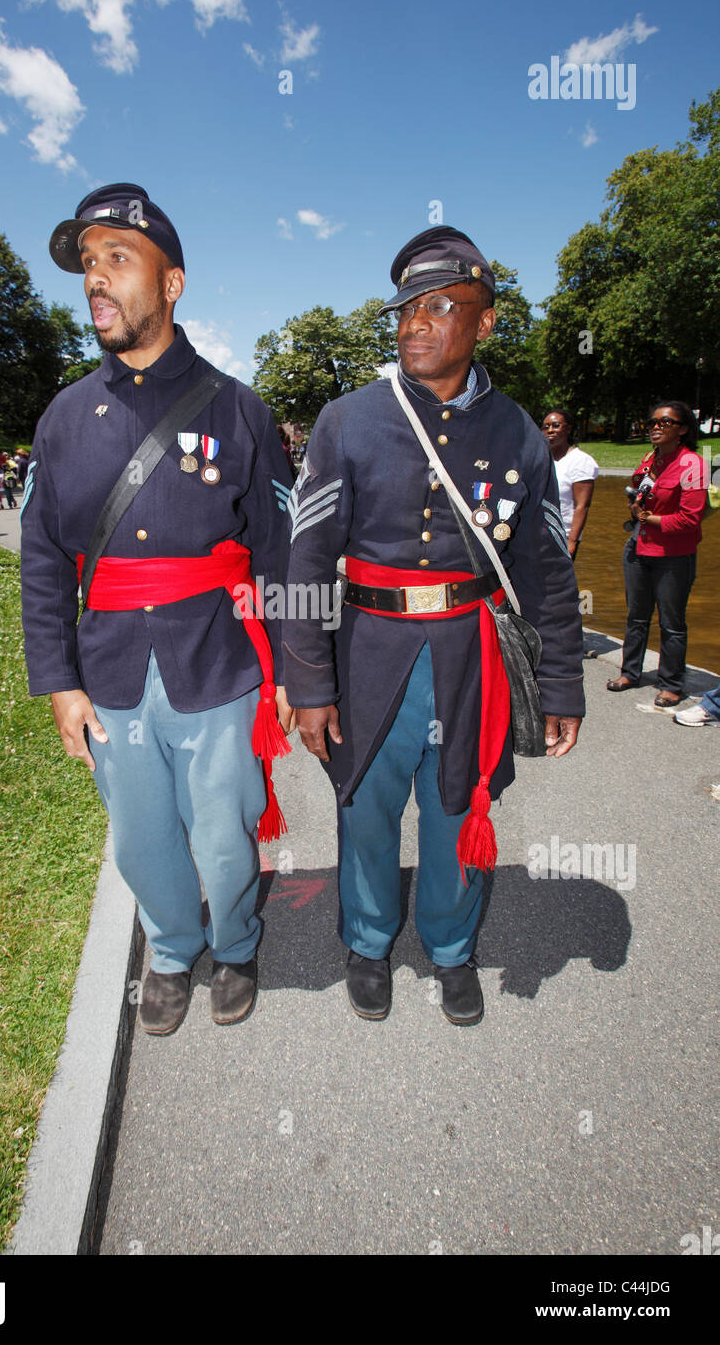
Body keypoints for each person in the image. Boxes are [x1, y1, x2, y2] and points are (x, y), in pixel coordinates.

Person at [283, 226, 584, 1026]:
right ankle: (369, 941)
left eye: (439, 306)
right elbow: (306, 562)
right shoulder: (348, 420)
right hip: (369, 655)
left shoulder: (519, 432)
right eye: (405, 309)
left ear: (485, 321)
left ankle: (452, 948)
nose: (415, 323)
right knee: (365, 813)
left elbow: (546, 572)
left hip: (469, 658)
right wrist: (308, 683)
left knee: (459, 807)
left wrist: (562, 688)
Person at [20, 181, 294, 1036]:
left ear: (171, 283)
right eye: (88, 266)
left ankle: (238, 940)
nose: (98, 280)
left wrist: (293, 669)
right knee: (141, 839)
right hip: (108, 674)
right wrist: (59, 682)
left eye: (118, 260)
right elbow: (39, 558)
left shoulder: (239, 408)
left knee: (224, 831)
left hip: (218, 664)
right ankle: (172, 950)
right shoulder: (63, 417)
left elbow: (282, 552)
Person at [607, 401, 707, 710]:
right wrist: (636, 508)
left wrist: (650, 519)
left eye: (665, 422)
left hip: (673, 555)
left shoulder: (692, 464)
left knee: (671, 622)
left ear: (683, 429)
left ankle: (671, 684)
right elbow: (639, 491)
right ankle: (630, 672)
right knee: (636, 616)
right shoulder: (651, 459)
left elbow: (691, 517)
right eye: (652, 422)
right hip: (638, 549)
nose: (655, 427)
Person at [540, 409, 598, 558]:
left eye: (556, 425)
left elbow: (582, 506)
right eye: (546, 427)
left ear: (568, 428)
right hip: (538, 534)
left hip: (562, 535)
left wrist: (572, 542)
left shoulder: (580, 461)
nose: (550, 430)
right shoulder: (541, 460)